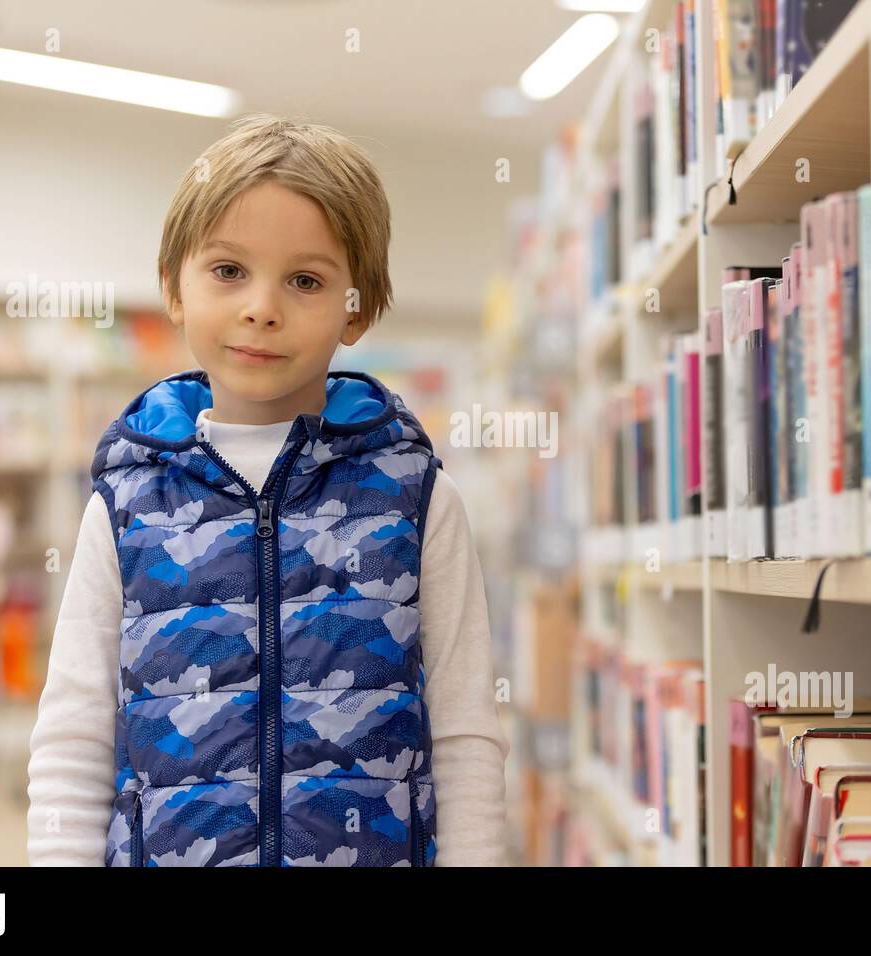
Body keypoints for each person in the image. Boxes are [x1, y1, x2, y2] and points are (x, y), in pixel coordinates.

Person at [26, 114, 509, 866]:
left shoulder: (416, 498)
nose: (262, 306)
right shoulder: (125, 505)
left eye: (306, 280)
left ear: (360, 307)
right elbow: (73, 738)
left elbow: (465, 734)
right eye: (228, 271)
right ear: (173, 288)